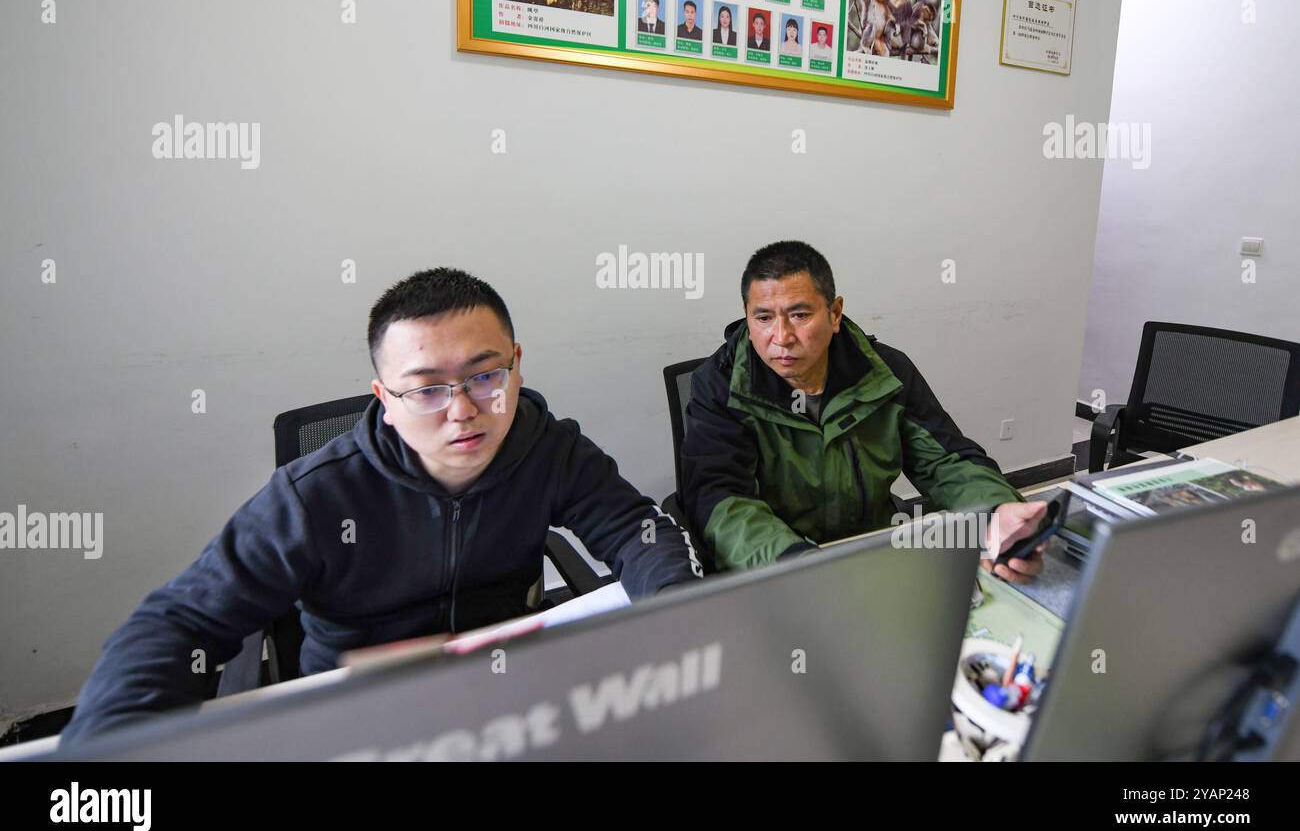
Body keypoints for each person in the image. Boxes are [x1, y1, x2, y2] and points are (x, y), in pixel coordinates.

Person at [61, 268, 702, 743]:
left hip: (507, 699)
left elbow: (635, 531)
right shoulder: (316, 495)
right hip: (361, 718)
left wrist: (685, 621)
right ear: (384, 399)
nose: (463, 410)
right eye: (425, 389)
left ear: (517, 367)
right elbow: (180, 623)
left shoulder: (547, 449)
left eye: (486, 375)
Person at [682, 241, 1048, 576]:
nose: (781, 337)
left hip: (873, 552)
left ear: (835, 312)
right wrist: (800, 565)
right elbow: (723, 502)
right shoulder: (719, 386)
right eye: (763, 318)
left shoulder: (884, 372)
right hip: (777, 570)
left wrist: (995, 512)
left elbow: (945, 459)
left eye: (799, 315)